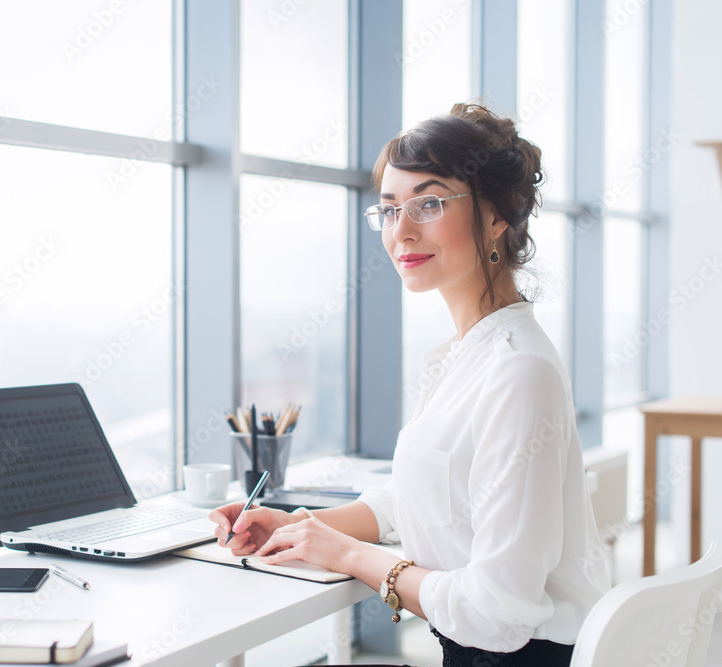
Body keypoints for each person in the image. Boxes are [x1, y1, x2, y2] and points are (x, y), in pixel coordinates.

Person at [210, 103, 611, 666]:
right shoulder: (465, 355)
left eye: (429, 203)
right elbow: (418, 500)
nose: (401, 231)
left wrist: (349, 555)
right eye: (390, 209)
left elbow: (498, 613)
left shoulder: (519, 370)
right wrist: (299, 526)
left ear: (496, 215)